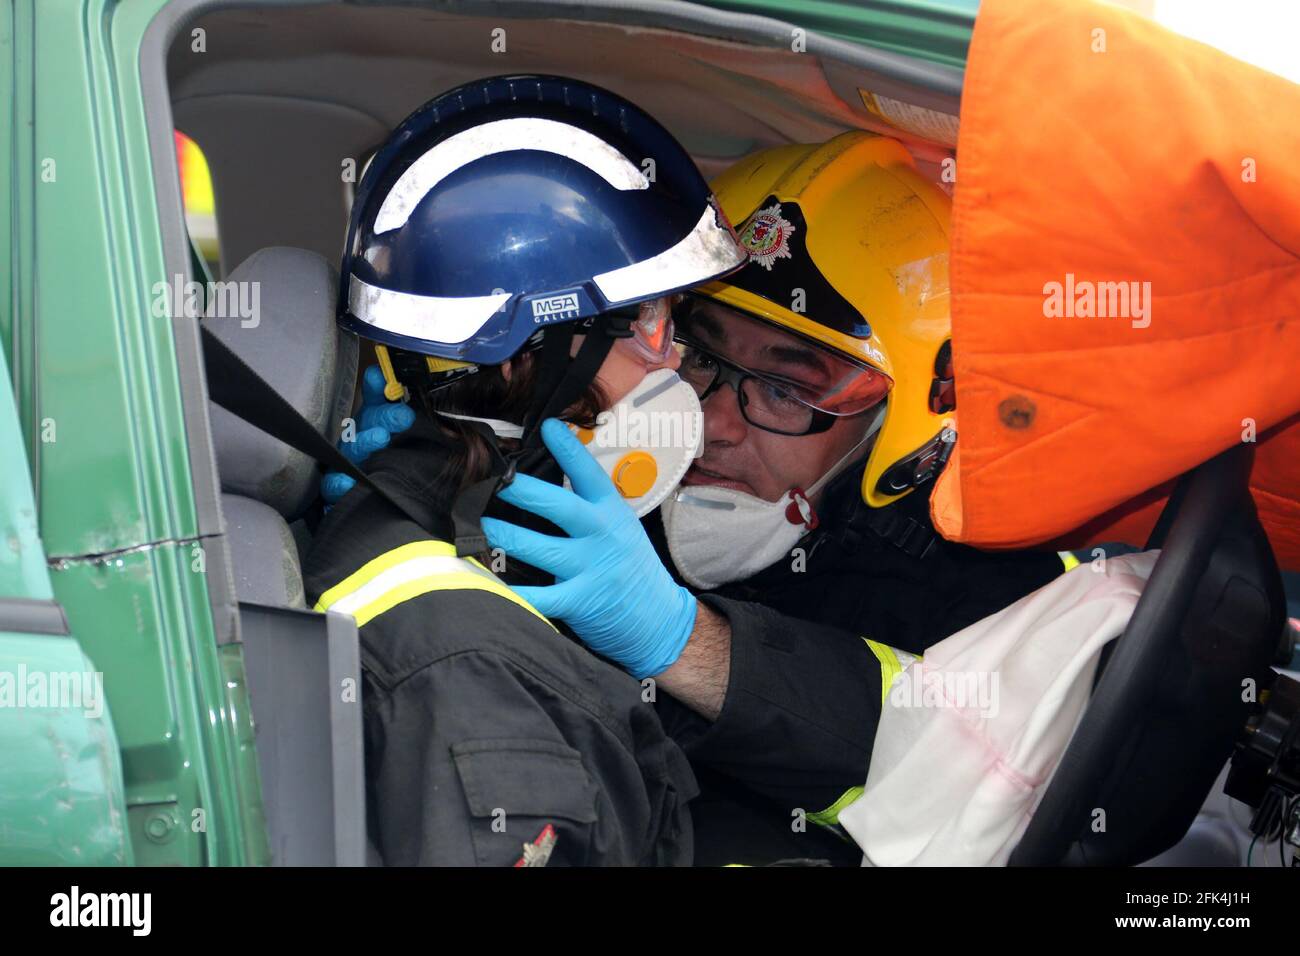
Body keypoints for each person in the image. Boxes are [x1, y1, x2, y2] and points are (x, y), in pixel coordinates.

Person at [332, 131, 1073, 865]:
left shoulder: (998, 595)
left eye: (787, 388)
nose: (712, 424)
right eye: (700, 355)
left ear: (899, 424)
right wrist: (436, 457)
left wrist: (686, 642)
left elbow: (997, 782)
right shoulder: (601, 494)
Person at [303, 74, 749, 866]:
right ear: (524, 357)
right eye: (648, 320)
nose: (675, 355)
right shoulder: (473, 669)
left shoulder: (459, 535)